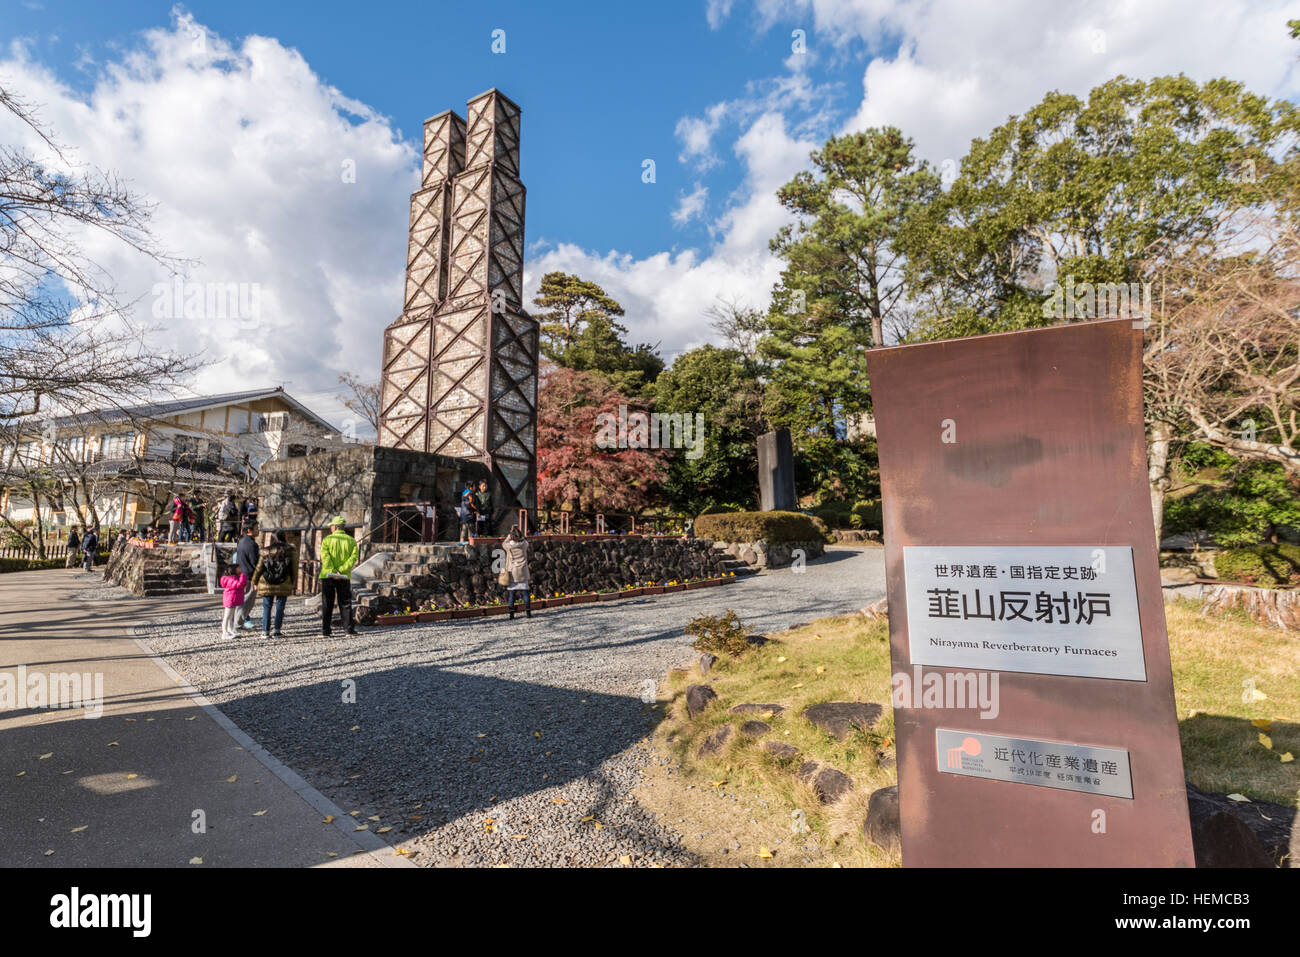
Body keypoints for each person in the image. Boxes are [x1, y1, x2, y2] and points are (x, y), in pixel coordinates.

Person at [318, 515, 358, 638]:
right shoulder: (351, 541)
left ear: (335, 527)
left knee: (327, 603)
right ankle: (348, 630)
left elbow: (325, 557)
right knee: (345, 602)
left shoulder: (327, 540)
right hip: (344, 576)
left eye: (331, 526)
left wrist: (333, 571)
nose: (331, 528)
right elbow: (353, 558)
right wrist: (341, 571)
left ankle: (326, 631)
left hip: (327, 575)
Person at [252, 530, 296, 639]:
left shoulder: (265, 551)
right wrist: (293, 581)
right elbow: (294, 568)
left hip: (267, 582)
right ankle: (277, 631)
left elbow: (259, 568)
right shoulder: (290, 550)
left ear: (273, 538)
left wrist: (254, 581)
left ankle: (265, 631)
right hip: (284, 581)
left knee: (267, 607)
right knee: (280, 607)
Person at [234, 521, 260, 631]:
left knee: (242, 601)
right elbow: (255, 562)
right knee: (247, 602)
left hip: (242, 574)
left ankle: (237, 622)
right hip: (249, 576)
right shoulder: (251, 544)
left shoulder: (242, 542)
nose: (258, 530)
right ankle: (237, 624)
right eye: (256, 528)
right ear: (249, 530)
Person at [501, 524, 531, 619]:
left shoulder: (509, 546)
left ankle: (511, 614)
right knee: (525, 593)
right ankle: (528, 613)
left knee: (512, 594)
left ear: (512, 537)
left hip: (512, 572)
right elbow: (525, 540)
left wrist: (510, 535)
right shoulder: (524, 544)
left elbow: (503, 543)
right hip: (523, 571)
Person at [219, 566, 249, 641]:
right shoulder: (230, 579)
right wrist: (243, 576)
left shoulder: (232, 578)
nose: (240, 569)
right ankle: (224, 633)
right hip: (230, 599)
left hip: (232, 599)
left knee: (230, 616)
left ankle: (230, 630)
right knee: (227, 616)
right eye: (238, 568)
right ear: (234, 570)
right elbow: (239, 585)